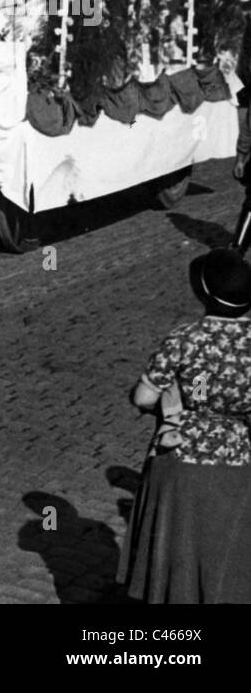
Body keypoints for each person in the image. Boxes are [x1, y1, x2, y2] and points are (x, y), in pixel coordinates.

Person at [119, 248, 251, 603]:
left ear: (204, 294)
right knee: (228, 557)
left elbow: (143, 398)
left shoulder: (185, 339)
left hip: (181, 458)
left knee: (177, 554)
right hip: (240, 459)